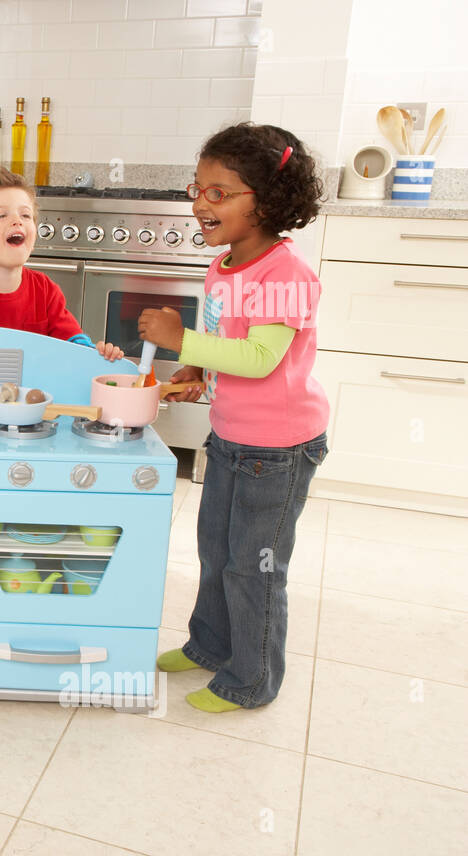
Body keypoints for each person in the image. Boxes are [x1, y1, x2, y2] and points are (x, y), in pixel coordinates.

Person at [142, 123, 328, 712]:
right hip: (229, 436)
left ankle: (251, 679)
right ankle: (209, 647)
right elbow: (232, 343)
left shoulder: (285, 273)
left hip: (276, 449)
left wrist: (183, 341)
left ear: (266, 200)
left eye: (219, 193)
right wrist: (197, 373)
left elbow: (260, 355)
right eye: (197, 188)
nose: (201, 203)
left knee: (255, 568)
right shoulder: (225, 266)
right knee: (216, 554)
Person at [0, 168, 123, 361]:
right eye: (1, 215)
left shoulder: (45, 291)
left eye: (25, 215)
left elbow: (73, 344)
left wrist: (97, 355)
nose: (18, 221)